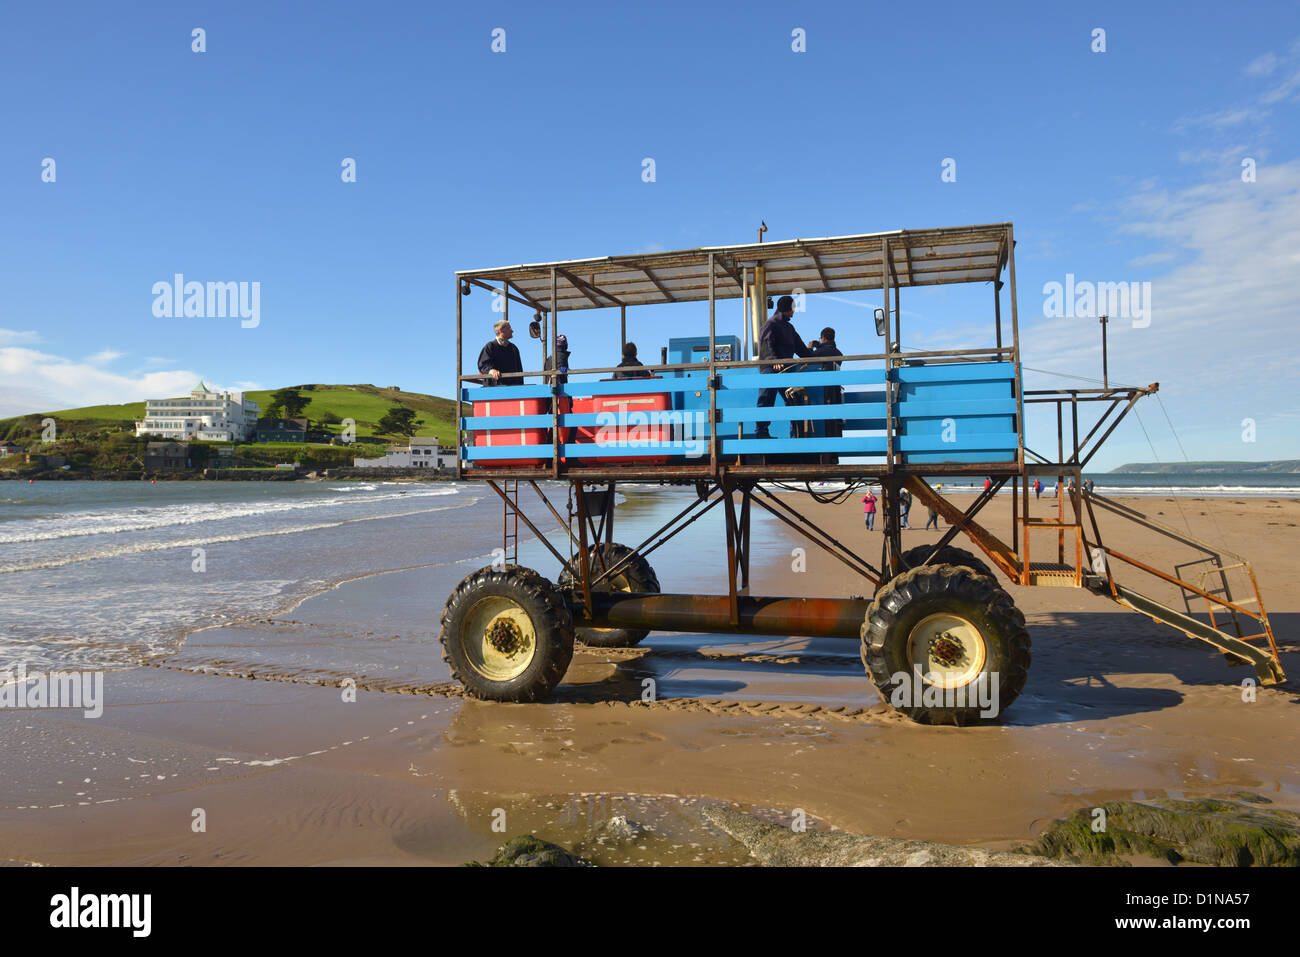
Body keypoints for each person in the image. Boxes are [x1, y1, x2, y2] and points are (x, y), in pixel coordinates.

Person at [754, 295, 816, 439]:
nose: (794, 311)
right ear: (789, 309)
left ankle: (796, 434)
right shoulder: (771, 324)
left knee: (792, 399)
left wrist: (816, 358)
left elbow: (801, 349)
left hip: (785, 370)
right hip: (770, 369)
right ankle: (761, 433)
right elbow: (766, 345)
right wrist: (774, 361)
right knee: (766, 399)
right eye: (793, 308)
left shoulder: (789, 327)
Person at [477, 319, 523, 386]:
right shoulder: (490, 346)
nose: (512, 331)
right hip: (494, 389)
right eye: (509, 328)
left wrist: (521, 389)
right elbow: (483, 364)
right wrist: (491, 370)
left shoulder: (514, 348)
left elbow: (519, 371)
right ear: (501, 330)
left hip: (513, 390)